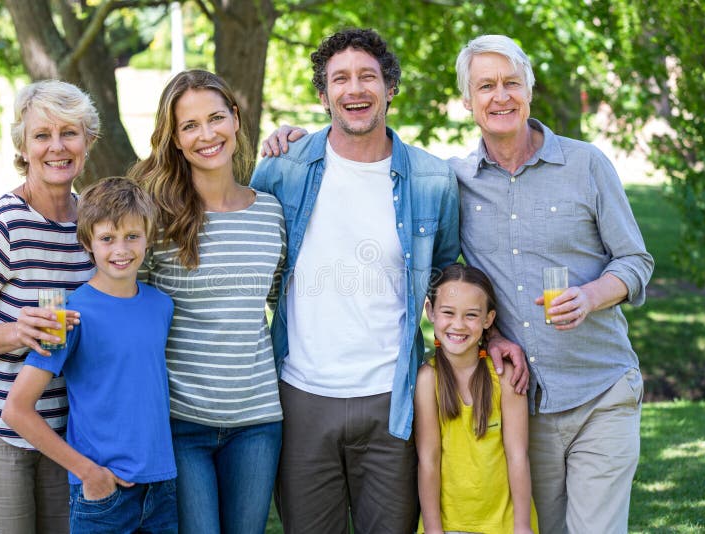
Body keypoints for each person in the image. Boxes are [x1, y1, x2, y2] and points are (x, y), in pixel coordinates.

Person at [249, 28, 462, 533]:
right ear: (323, 96)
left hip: (393, 399)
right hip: (301, 394)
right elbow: (251, 251)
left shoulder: (434, 180)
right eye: (339, 79)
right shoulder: (283, 170)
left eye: (368, 76)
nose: (355, 89)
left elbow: (447, 281)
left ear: (390, 88)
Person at [450, 35, 653, 533]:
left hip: (602, 390)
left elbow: (635, 260)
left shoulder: (587, 165)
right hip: (523, 404)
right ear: (467, 101)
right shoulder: (454, 181)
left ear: (529, 91)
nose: (500, 97)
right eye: (486, 86)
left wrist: (590, 296)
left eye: (511, 83)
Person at [127, 69, 286, 534]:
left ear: (236, 119)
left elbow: (280, 301)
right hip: (181, 421)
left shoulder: (270, 211)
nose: (206, 135)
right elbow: (126, 309)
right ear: (174, 139)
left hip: (257, 420)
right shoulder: (156, 217)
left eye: (216, 118)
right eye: (189, 126)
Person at [0, 79, 99, 533]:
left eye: (70, 133)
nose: (57, 147)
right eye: (42, 135)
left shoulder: (93, 224)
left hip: (63, 429)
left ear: (87, 141)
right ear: (23, 146)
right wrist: (16, 332)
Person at [3, 177, 178, 533]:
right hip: (102, 494)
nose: (121, 250)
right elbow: (16, 409)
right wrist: (87, 473)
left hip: (162, 488)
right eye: (107, 239)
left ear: (149, 236)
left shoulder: (161, 305)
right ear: (88, 243)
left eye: (132, 236)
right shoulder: (64, 314)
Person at [415, 263, 538, 534]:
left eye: (471, 315)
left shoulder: (504, 377)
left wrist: (522, 527)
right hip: (449, 525)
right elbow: (429, 459)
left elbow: (517, 455)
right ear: (430, 313)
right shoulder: (427, 380)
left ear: (488, 319)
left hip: (504, 524)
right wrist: (433, 529)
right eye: (448, 312)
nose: (458, 325)